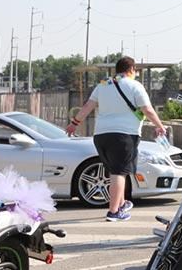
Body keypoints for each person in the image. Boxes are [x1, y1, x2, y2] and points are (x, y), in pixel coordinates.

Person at [67, 56, 167, 221]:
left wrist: (74, 123)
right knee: (119, 173)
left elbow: (87, 106)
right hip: (124, 135)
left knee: (116, 172)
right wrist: (160, 126)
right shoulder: (135, 85)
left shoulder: (104, 84)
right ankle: (113, 211)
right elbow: (147, 110)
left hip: (100, 136)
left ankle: (121, 205)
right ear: (132, 70)